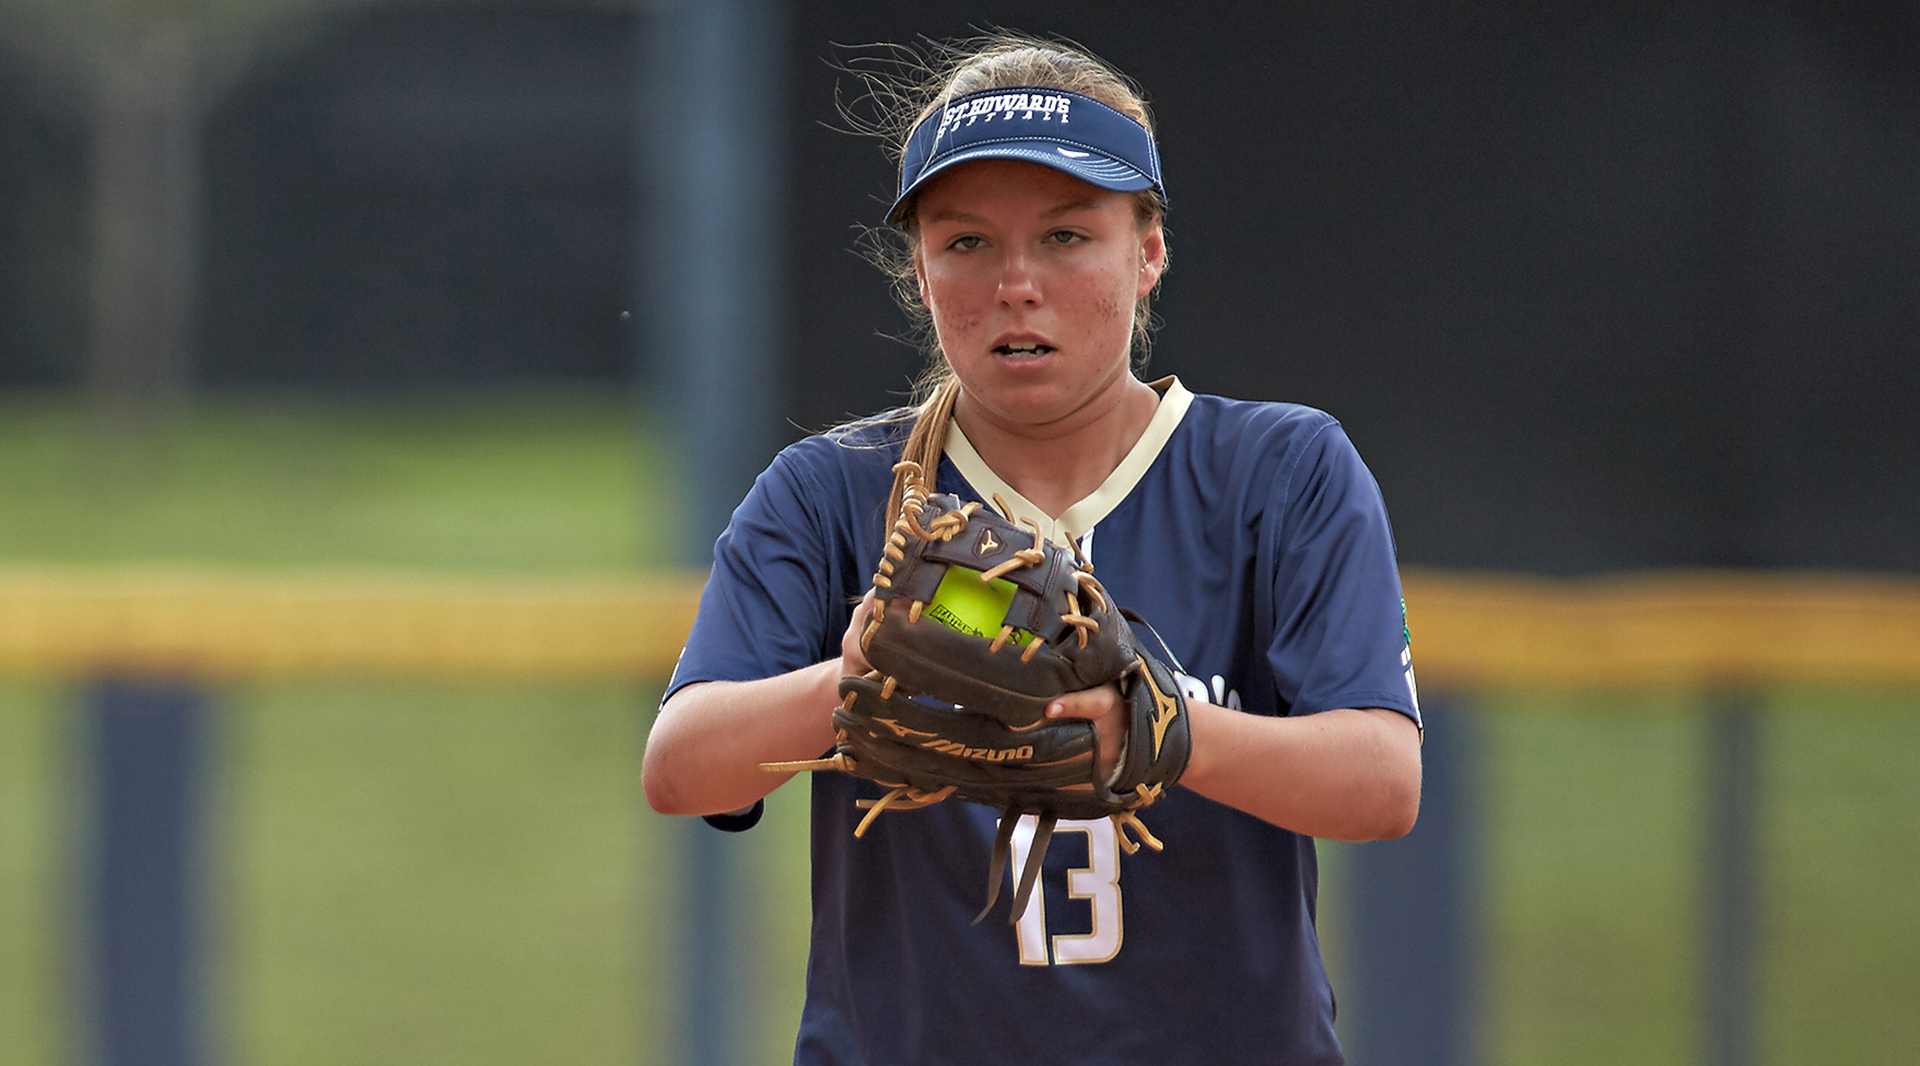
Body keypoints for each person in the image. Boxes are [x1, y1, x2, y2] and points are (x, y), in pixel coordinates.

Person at [642, 32, 1423, 1065]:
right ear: (920, 272)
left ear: (1148, 252)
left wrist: (1164, 731)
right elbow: (682, 769)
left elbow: (1382, 781)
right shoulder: (834, 494)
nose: (1016, 282)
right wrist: (853, 675)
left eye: (1066, 235)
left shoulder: (1280, 472)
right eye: (966, 241)